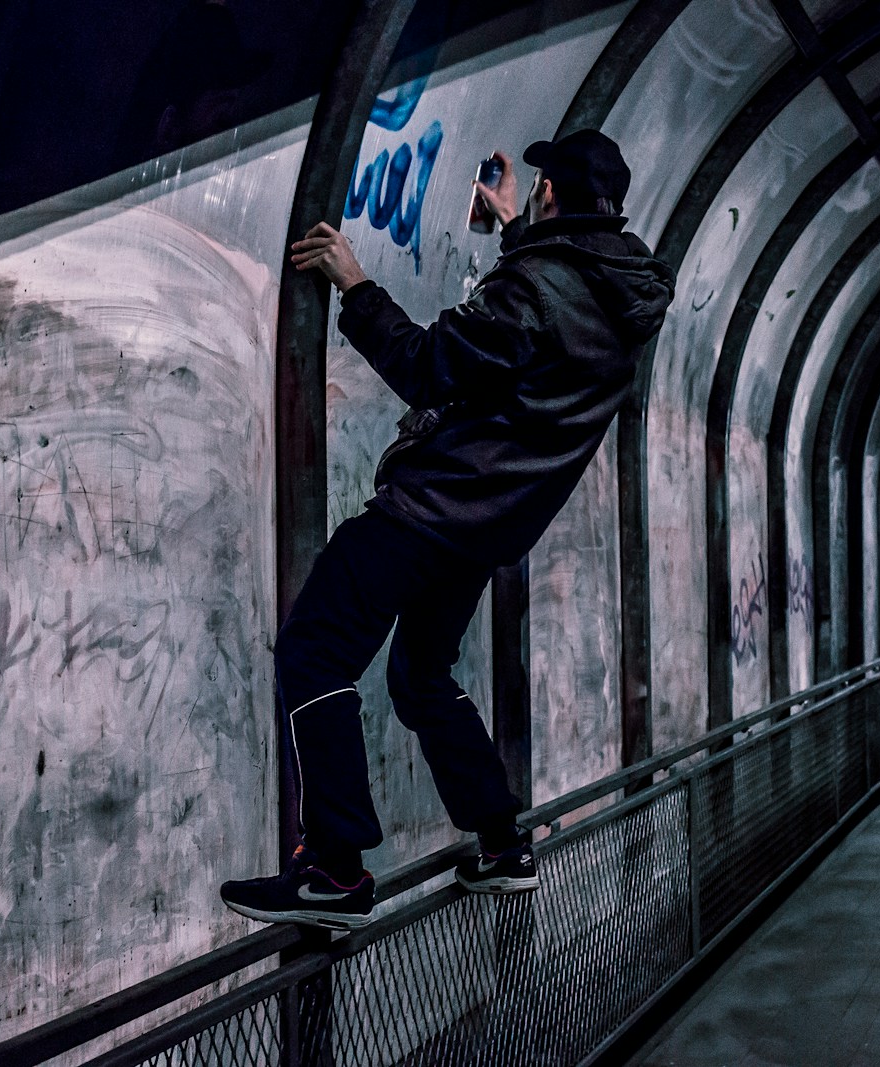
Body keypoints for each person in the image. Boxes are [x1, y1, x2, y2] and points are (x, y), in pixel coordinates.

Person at [220, 129, 675, 929]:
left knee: (314, 648)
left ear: (553, 193)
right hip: (488, 527)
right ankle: (502, 844)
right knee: (420, 676)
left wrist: (356, 282)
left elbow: (429, 365)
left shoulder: (536, 285)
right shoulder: (623, 300)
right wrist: (515, 229)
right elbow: (550, 316)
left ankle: (334, 868)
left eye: (539, 188)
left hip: (431, 506)